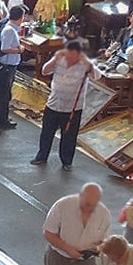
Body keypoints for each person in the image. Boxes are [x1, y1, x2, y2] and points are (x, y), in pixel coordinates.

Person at [31, 39, 94, 168]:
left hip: (73, 108)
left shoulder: (85, 64)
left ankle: (67, 161)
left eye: (73, 54)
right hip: (54, 103)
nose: (70, 56)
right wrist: (54, 59)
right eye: (68, 53)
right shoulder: (59, 60)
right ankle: (42, 156)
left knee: (69, 136)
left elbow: (96, 76)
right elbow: (44, 71)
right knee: (47, 132)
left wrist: (86, 62)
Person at [42, 183, 110, 265]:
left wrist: (99, 248)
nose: (90, 209)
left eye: (94, 205)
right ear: (81, 196)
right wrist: (67, 249)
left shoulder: (103, 214)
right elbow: (48, 232)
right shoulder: (62, 205)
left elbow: (104, 240)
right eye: (87, 204)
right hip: (58, 259)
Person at [0, 6, 24, 135]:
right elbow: (5, 48)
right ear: (20, 17)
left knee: (5, 95)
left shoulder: (12, 29)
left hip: (9, 66)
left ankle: (3, 120)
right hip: (4, 67)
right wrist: (18, 50)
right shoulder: (9, 30)